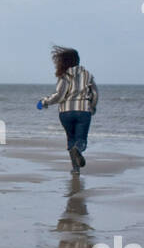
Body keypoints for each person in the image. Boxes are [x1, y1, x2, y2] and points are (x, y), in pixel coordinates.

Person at [37, 46, 98, 174]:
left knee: (71, 139)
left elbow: (59, 95)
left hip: (66, 112)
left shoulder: (64, 76)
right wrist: (92, 106)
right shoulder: (87, 75)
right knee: (81, 139)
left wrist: (44, 102)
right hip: (83, 111)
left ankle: (75, 169)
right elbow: (95, 93)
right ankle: (78, 150)